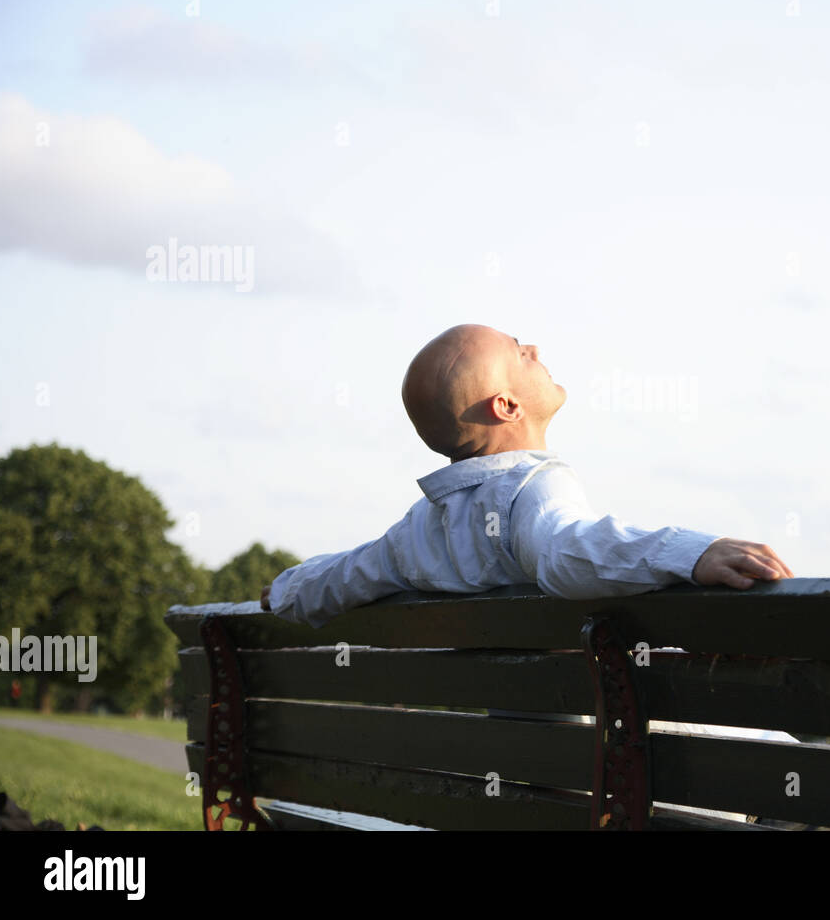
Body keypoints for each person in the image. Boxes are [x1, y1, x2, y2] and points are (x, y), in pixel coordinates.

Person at [261, 324, 797, 822]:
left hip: (537, 782)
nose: (535, 350)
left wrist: (286, 590)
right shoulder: (528, 490)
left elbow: (346, 575)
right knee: (790, 760)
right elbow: (564, 553)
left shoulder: (419, 532)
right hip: (625, 780)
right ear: (507, 405)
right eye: (520, 351)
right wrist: (692, 553)